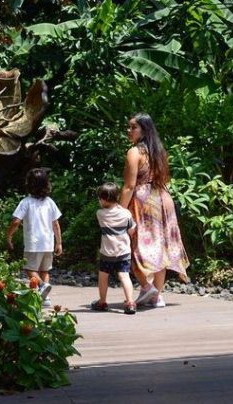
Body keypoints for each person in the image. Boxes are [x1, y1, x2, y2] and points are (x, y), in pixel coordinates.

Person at [120, 113, 189, 308]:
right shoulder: (159, 151)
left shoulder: (134, 152)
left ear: (144, 130)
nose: (129, 131)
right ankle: (157, 296)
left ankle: (146, 287)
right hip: (163, 198)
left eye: (133, 127)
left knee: (135, 244)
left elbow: (129, 186)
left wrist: (119, 211)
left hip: (144, 201)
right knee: (161, 247)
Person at [6, 168, 62, 304]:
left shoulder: (26, 202)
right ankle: (45, 298)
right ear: (46, 185)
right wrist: (59, 242)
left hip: (33, 243)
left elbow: (16, 221)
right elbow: (56, 224)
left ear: (29, 185)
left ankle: (42, 286)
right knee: (44, 270)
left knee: (30, 269)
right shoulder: (50, 202)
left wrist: (8, 236)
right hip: (48, 242)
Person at [91, 182, 137, 314]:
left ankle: (102, 301)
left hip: (107, 253)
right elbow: (132, 230)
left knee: (103, 276)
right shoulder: (126, 213)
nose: (99, 201)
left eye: (100, 198)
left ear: (104, 199)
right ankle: (130, 303)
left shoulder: (100, 214)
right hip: (123, 252)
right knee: (124, 276)